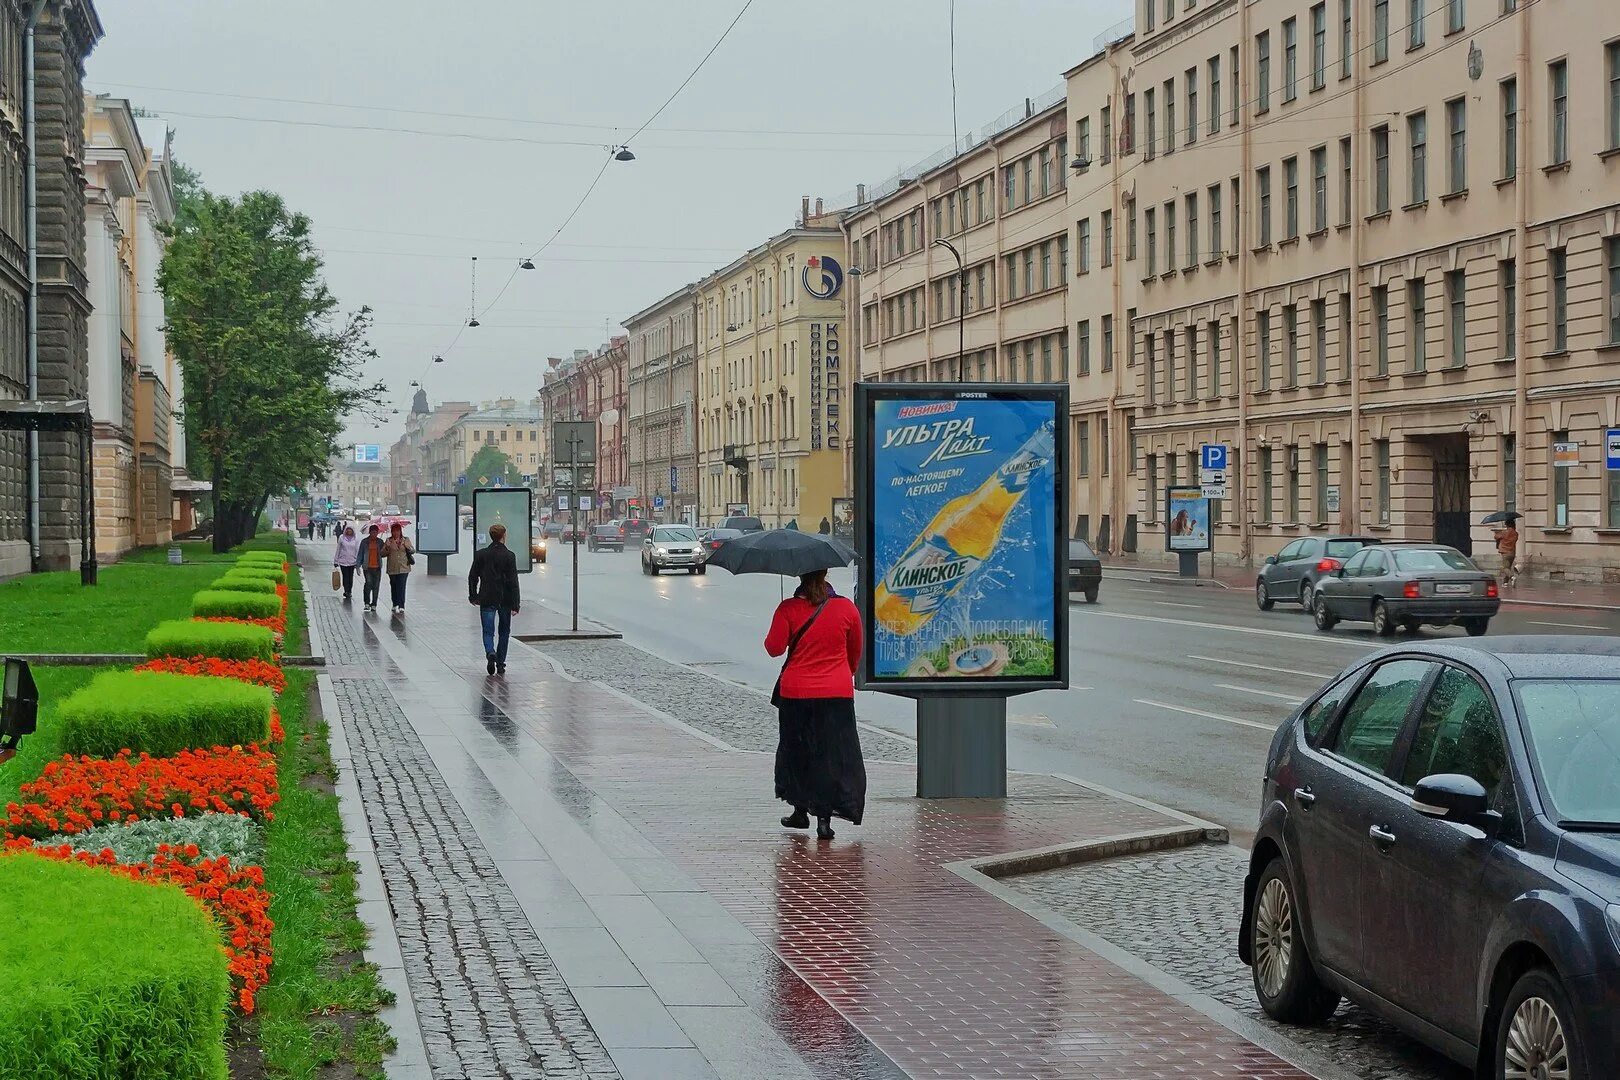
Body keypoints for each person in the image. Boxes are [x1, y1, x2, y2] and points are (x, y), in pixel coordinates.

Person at [765, 568, 865, 840]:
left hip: (796, 694)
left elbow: (773, 648)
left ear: (799, 576)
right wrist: (843, 675)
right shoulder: (846, 608)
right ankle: (824, 820)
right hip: (837, 695)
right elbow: (854, 653)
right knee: (831, 755)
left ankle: (799, 811)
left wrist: (785, 614)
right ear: (826, 574)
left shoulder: (788, 608)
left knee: (797, 752)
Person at [469, 522, 520, 675]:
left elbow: (473, 576)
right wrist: (515, 603)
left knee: (488, 630)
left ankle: (490, 652)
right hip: (505, 599)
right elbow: (513, 581)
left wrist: (473, 595)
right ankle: (501, 663)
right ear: (503, 536)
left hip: (487, 596)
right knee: (504, 631)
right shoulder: (510, 556)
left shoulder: (481, 554)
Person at [383, 522, 415, 615]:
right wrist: (387, 548)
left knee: (401, 585)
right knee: (394, 586)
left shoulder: (406, 540)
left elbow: (413, 550)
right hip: (392, 568)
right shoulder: (388, 540)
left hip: (404, 567)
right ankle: (395, 603)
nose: (396, 533)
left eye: (398, 531)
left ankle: (401, 605)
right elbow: (382, 554)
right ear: (392, 532)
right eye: (394, 531)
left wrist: (408, 547)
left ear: (400, 531)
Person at [357, 524, 386, 611]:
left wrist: (386, 546)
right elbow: (360, 554)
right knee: (368, 584)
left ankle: (374, 604)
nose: (374, 534)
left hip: (377, 567)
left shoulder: (380, 542)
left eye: (376, 532)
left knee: (376, 586)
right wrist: (358, 566)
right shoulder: (364, 542)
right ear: (370, 532)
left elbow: (384, 554)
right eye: (373, 532)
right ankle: (366, 603)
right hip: (367, 567)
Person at [333, 524, 360, 601]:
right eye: (347, 529)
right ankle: (346, 590)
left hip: (352, 561)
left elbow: (357, 550)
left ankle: (349, 591)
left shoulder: (356, 539)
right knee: (345, 576)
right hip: (343, 561)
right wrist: (336, 560)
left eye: (350, 530)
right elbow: (338, 549)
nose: (349, 531)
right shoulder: (342, 538)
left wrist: (357, 561)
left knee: (350, 577)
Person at [1493, 520, 1520, 587]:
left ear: (1507, 525)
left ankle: (1512, 577)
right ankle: (1505, 583)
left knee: (1504, 567)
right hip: (1512, 552)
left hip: (1505, 552)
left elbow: (1496, 537)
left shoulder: (1505, 532)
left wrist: (1496, 532)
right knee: (1508, 567)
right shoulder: (1515, 533)